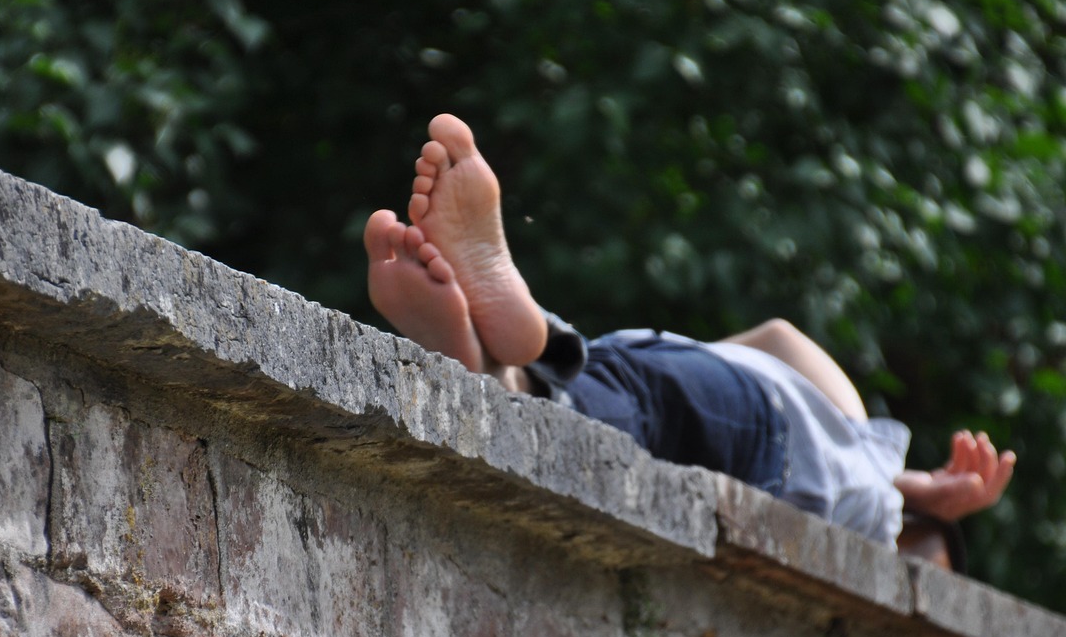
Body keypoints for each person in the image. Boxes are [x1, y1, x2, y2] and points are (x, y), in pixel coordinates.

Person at [364, 114, 1015, 554]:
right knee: (640, 418)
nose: (915, 567)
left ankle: (500, 365)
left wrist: (916, 488)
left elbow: (777, 337)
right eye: (926, 555)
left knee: (618, 396)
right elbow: (780, 338)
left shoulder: (859, 453)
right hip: (746, 421)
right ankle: (517, 357)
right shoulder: (871, 496)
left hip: (659, 360)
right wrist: (913, 490)